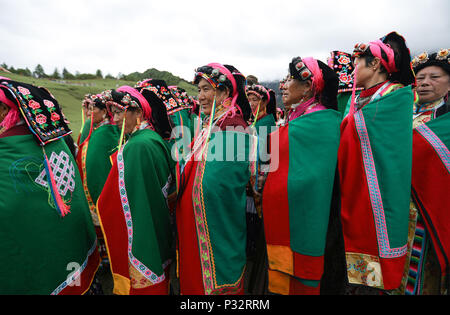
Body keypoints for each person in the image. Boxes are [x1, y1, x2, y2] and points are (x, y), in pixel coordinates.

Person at [0, 78, 100, 294]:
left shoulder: (7, 151)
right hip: (71, 248)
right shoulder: (56, 139)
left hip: (30, 256)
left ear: (8, 111)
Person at [338, 32, 416, 293]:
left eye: (357, 63)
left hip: (380, 190)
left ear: (375, 65)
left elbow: (378, 137)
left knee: (372, 281)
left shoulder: (397, 96)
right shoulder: (358, 98)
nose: (353, 69)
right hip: (355, 186)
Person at [262, 56, 341, 295]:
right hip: (286, 220)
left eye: (290, 80)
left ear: (308, 87)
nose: (283, 85)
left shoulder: (323, 125)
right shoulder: (295, 122)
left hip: (315, 223)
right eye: (284, 80)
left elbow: (315, 179)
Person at [175, 62, 255, 295]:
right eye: (198, 90)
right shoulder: (212, 126)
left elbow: (219, 186)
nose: (200, 96)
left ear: (225, 93)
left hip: (216, 229)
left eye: (205, 89)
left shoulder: (233, 127)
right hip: (196, 226)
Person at [96, 85, 175, 295]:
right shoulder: (151, 138)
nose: (115, 118)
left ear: (138, 112)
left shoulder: (138, 146)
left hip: (144, 231)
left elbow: (136, 200)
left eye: (120, 112)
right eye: (113, 113)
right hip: (159, 225)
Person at [396, 49, 450, 295]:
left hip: (430, 210)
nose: (425, 82)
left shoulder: (446, 123)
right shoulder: (399, 117)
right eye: (420, 78)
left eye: (434, 77)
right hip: (397, 209)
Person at [75, 93, 120, 262]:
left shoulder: (107, 133)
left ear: (104, 112)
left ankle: (109, 255)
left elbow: (101, 166)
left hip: (100, 191)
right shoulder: (95, 130)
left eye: (93, 109)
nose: (88, 113)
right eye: (88, 109)